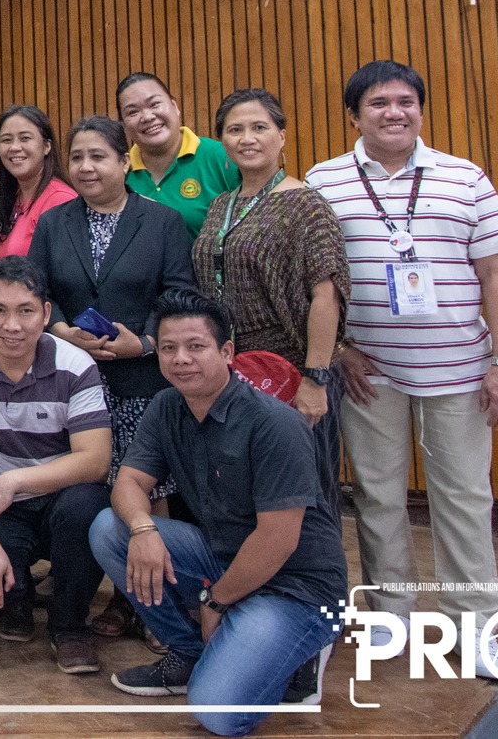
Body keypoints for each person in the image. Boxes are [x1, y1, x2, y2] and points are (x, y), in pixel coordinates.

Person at [304, 59, 498, 623]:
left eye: (406, 102)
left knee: (465, 497)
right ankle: (390, 613)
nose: (394, 113)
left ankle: (475, 621)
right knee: (377, 496)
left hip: (460, 369)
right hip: (368, 372)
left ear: (421, 111)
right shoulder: (322, 181)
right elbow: (313, 280)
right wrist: (339, 350)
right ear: (354, 116)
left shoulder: (465, 178)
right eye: (378, 103)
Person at [89, 292, 346, 731]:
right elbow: (129, 482)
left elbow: (278, 540)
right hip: (222, 558)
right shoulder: (167, 406)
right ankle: (190, 652)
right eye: (168, 348)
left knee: (218, 713)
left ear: (227, 352)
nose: (180, 359)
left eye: (196, 346)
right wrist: (143, 528)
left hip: (296, 587)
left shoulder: (274, 424)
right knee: (110, 530)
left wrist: (216, 601)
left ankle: (303, 651)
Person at [30, 116, 195, 643]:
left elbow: (179, 294)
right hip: (72, 380)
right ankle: (84, 587)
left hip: (142, 380)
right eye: (78, 157)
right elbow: (37, 290)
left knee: (147, 487)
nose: (86, 167)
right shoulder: (54, 222)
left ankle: (150, 604)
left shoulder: (163, 222)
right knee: (83, 489)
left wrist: (143, 343)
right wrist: (58, 329)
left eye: (99, 156)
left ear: (126, 162)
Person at [0, 256, 112, 675]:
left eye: (25, 311)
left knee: (88, 507)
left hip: (59, 497)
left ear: (46, 314)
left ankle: (69, 624)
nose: (11, 325)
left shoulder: (75, 365)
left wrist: (13, 480)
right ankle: (18, 596)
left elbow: (96, 461)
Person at [192, 89, 349, 503]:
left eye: (259, 127)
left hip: (292, 373)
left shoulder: (307, 204)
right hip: (233, 373)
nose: (247, 138)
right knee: (245, 494)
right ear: (222, 142)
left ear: (281, 136)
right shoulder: (221, 205)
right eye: (235, 130)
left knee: (302, 495)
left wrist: (316, 379)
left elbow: (326, 294)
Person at [116, 72, 240, 239]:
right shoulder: (119, 172)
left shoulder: (221, 156)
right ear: (123, 125)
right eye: (133, 112)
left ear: (174, 106)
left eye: (155, 104)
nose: (147, 117)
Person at [0, 104, 77, 258]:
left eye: (25, 138)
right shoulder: (8, 196)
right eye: (6, 140)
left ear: (47, 146)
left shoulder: (60, 200)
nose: (14, 147)